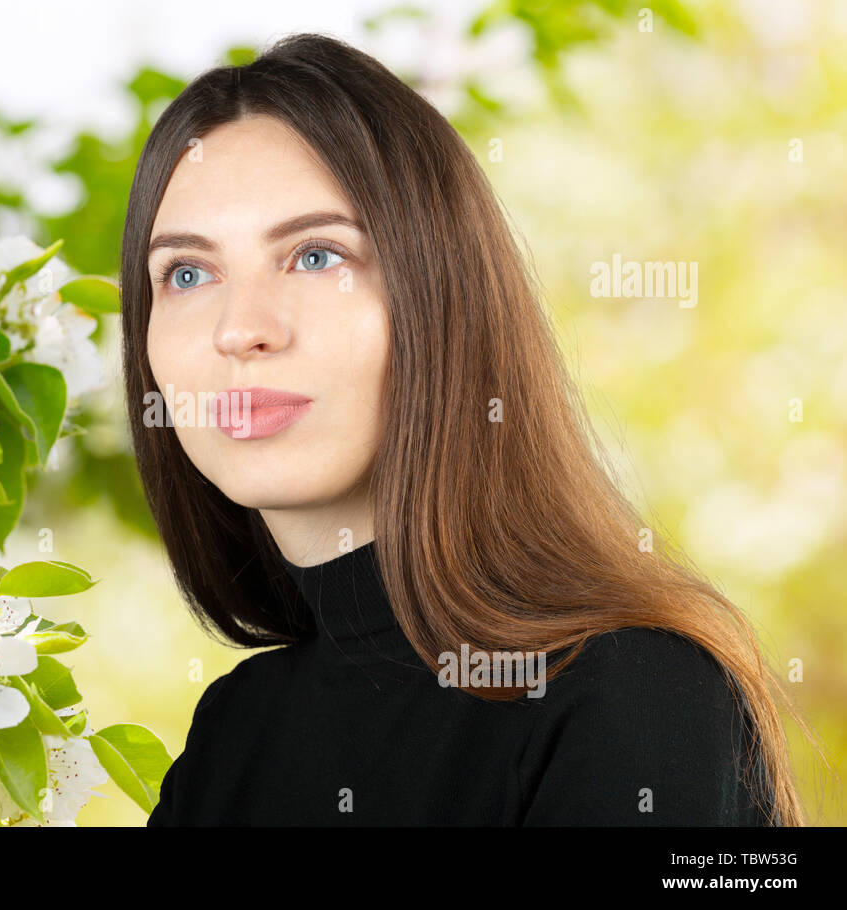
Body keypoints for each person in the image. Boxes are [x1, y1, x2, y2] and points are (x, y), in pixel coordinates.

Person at [119, 32, 803, 826]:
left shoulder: (637, 692)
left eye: (315, 255)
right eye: (188, 273)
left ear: (440, 294)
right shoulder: (232, 735)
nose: (241, 329)